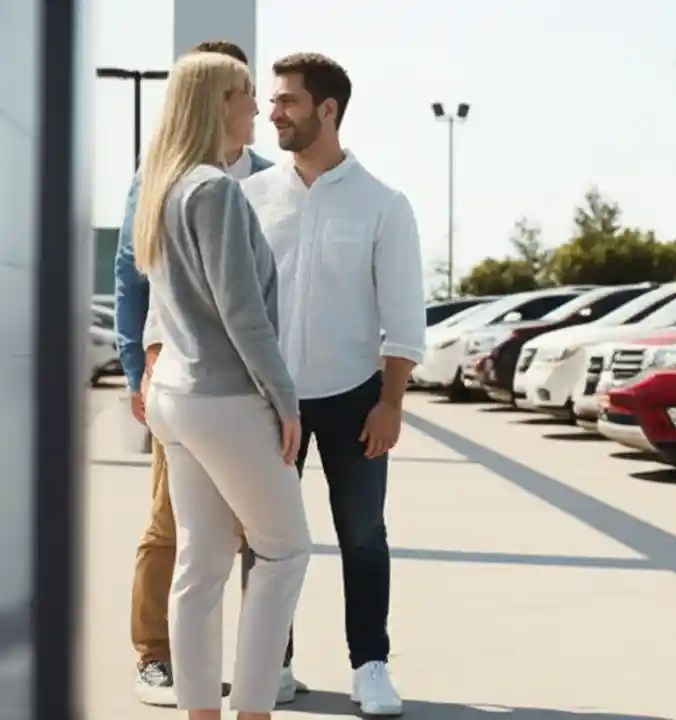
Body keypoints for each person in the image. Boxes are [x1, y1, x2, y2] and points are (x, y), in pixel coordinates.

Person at [113, 39, 306, 708]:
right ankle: (250, 708)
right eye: (248, 93)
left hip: (175, 400)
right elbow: (243, 314)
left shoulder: (161, 189)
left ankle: (201, 711)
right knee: (284, 554)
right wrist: (286, 401)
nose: (259, 107)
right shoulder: (214, 191)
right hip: (225, 399)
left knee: (200, 565)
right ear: (221, 103)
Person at [241, 52, 425, 717]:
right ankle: (273, 662)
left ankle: (369, 665)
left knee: (362, 534)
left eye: (286, 101)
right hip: (266, 400)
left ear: (328, 110)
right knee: (265, 540)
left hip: (354, 398)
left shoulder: (384, 205)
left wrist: (391, 403)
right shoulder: (250, 198)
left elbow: (403, 315)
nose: (273, 112)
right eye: (272, 100)